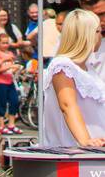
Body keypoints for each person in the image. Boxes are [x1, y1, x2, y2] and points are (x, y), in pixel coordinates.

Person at [42, 9, 105, 148]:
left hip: (96, 150)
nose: (101, 36)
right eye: (99, 31)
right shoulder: (63, 66)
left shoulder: (88, 67)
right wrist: (86, 141)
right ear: (88, 35)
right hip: (74, 152)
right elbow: (67, 105)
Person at [0, 33, 21, 134]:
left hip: (10, 80)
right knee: (2, 102)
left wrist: (15, 68)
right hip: (0, 82)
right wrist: (6, 61)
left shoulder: (10, 54)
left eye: (7, 43)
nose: (5, 45)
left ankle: (11, 124)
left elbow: (12, 66)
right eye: (3, 43)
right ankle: (1, 125)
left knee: (14, 101)